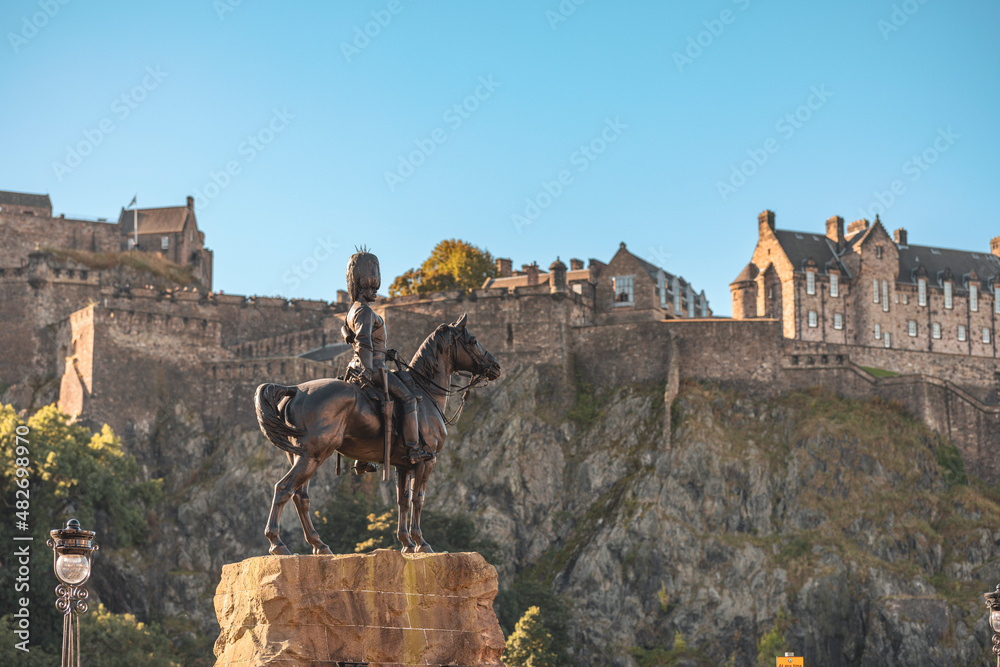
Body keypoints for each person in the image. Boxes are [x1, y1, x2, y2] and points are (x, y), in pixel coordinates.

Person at [342, 249, 435, 466]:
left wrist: (385, 351)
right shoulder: (365, 311)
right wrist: (368, 369)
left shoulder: (352, 310)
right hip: (372, 368)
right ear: (362, 285)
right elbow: (364, 340)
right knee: (409, 398)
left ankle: (362, 458)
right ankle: (413, 449)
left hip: (357, 366)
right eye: (371, 287)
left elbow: (349, 333)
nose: (376, 292)